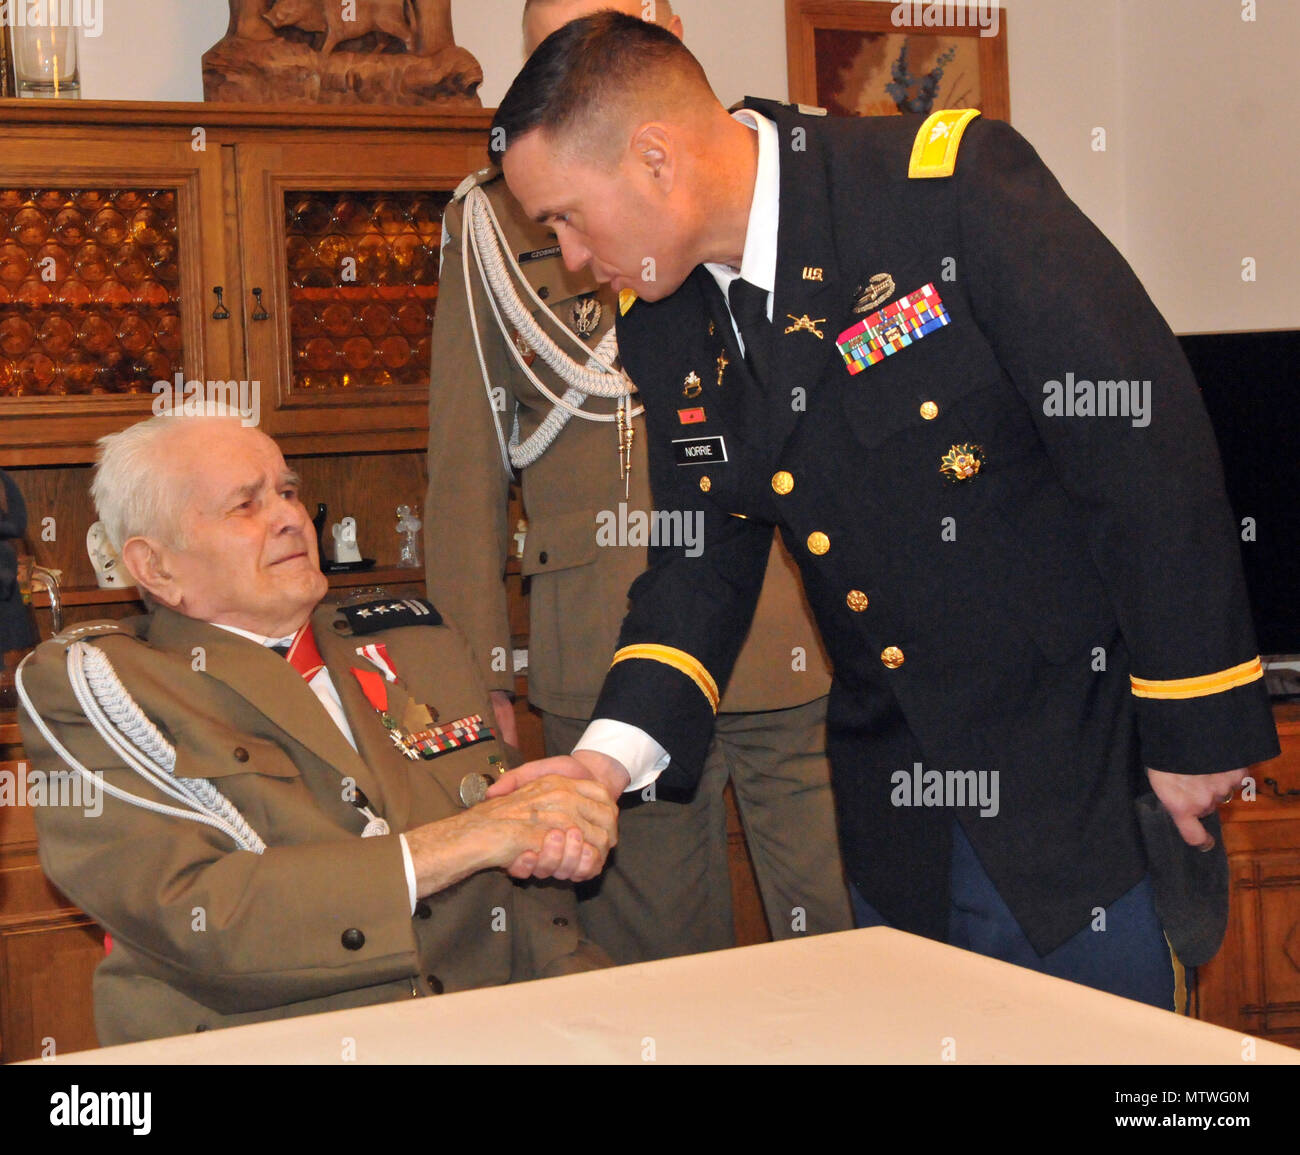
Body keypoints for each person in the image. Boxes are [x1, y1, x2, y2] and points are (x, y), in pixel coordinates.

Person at [485, 13, 1281, 1008]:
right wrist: (603, 762)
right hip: (894, 811)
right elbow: (702, 558)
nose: (566, 258)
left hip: (1071, 784)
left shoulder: (943, 188)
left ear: (653, 159)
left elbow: (1140, 442)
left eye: (564, 218)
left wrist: (1196, 723)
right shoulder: (667, 319)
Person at [424, 0, 851, 963]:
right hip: (603, 639)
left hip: (790, 620)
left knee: (841, 924)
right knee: (654, 960)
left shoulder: (753, 183)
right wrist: (476, 670)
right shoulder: (489, 221)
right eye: (551, 48)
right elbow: (465, 460)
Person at [16, 416, 616, 1045]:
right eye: (245, 504)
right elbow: (199, 916)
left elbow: (528, 888)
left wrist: (578, 990)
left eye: (288, 492)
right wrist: (463, 842)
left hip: (497, 1026)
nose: (288, 518)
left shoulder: (418, 643)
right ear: (156, 567)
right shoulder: (102, 690)